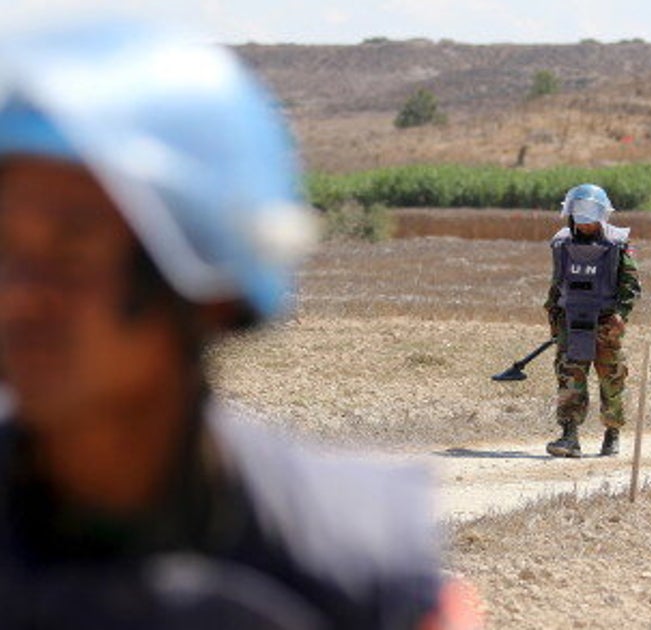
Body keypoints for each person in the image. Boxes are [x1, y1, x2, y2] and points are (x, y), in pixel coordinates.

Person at [0, 18, 455, 626]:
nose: (17, 298)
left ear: (208, 285)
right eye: (3, 250)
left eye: (73, 251)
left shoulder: (358, 568)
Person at [544, 184, 641, 458]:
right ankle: (569, 435)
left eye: (590, 220)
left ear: (601, 217)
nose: (585, 226)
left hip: (606, 322)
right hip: (571, 321)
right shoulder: (562, 242)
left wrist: (621, 314)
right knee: (569, 378)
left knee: (611, 378)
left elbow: (631, 285)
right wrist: (553, 314)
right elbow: (558, 282)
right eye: (580, 220)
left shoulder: (618, 243)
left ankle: (612, 434)